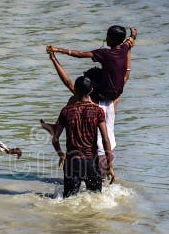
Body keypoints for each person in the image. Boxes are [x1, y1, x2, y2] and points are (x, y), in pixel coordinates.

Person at [47, 25, 137, 170]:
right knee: (101, 188)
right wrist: (132, 40)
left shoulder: (82, 103)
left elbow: (69, 82)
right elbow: (126, 75)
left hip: (84, 156)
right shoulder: (115, 99)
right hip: (108, 154)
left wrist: (54, 57)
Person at [51, 75, 115, 197]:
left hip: (72, 163)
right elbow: (105, 139)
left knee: (68, 200)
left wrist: (61, 154)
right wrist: (110, 166)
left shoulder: (66, 111)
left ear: (75, 90)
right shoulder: (97, 111)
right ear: (91, 90)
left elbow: (55, 138)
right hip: (91, 162)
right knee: (96, 198)